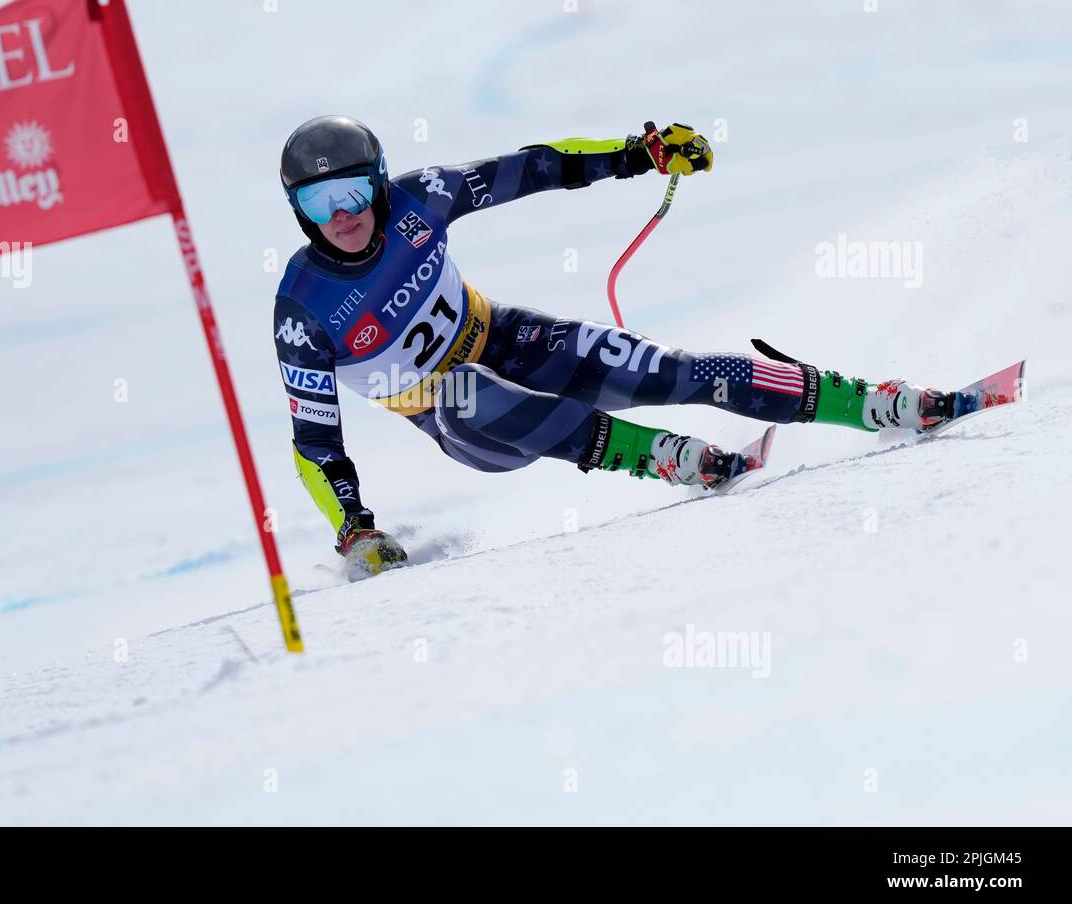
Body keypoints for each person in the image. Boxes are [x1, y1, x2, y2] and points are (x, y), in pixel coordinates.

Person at [274, 116, 955, 572]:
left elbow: (532, 168)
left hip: (507, 336)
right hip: (464, 423)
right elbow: (315, 445)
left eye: (354, 190)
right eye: (319, 201)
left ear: (379, 178)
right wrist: (355, 528)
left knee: (667, 369)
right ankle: (655, 456)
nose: (344, 215)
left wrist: (638, 154)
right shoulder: (304, 309)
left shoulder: (421, 198)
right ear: (297, 209)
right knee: (460, 389)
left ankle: (871, 402)